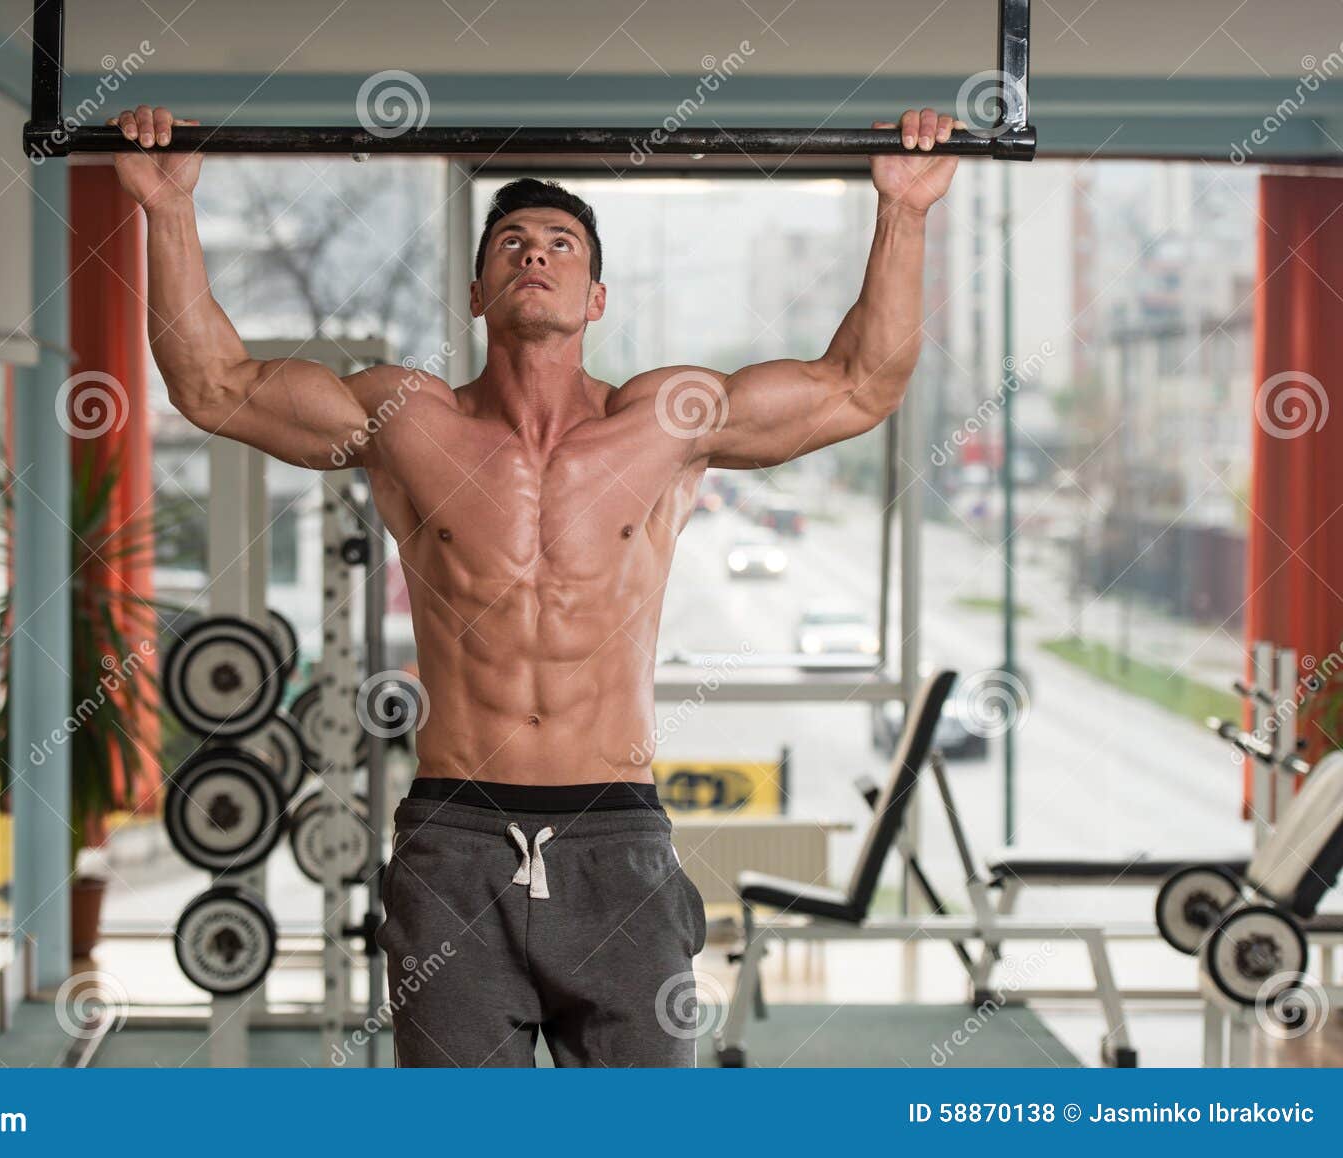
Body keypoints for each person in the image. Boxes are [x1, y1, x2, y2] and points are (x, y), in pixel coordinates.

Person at [110, 104, 960, 1066]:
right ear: (477, 291)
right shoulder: (406, 422)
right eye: (511, 242)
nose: (535, 255)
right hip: (454, 839)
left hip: (618, 842)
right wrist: (169, 209)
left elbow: (859, 385)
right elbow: (214, 386)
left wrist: (905, 212)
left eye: (562, 244)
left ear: (597, 297)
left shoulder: (666, 426)